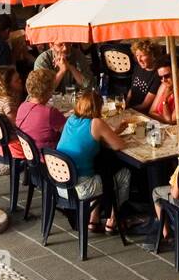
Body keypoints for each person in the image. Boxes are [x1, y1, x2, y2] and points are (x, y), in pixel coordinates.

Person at [56, 89, 131, 233]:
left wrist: (115, 132)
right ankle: (112, 220)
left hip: (61, 184)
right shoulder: (96, 122)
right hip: (81, 188)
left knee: (98, 170)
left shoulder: (71, 119)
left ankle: (93, 219)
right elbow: (119, 145)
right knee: (123, 175)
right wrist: (116, 136)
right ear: (98, 107)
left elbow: (88, 139)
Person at [15, 68, 66, 149]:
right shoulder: (50, 112)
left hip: (30, 154)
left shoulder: (22, 106)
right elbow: (68, 132)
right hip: (51, 156)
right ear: (48, 90)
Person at [125, 40, 165, 112]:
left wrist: (128, 109)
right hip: (130, 107)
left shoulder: (158, 75)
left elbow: (145, 106)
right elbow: (132, 89)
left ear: (153, 56)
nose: (139, 60)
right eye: (137, 55)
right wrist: (126, 103)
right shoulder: (138, 67)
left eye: (142, 55)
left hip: (141, 112)